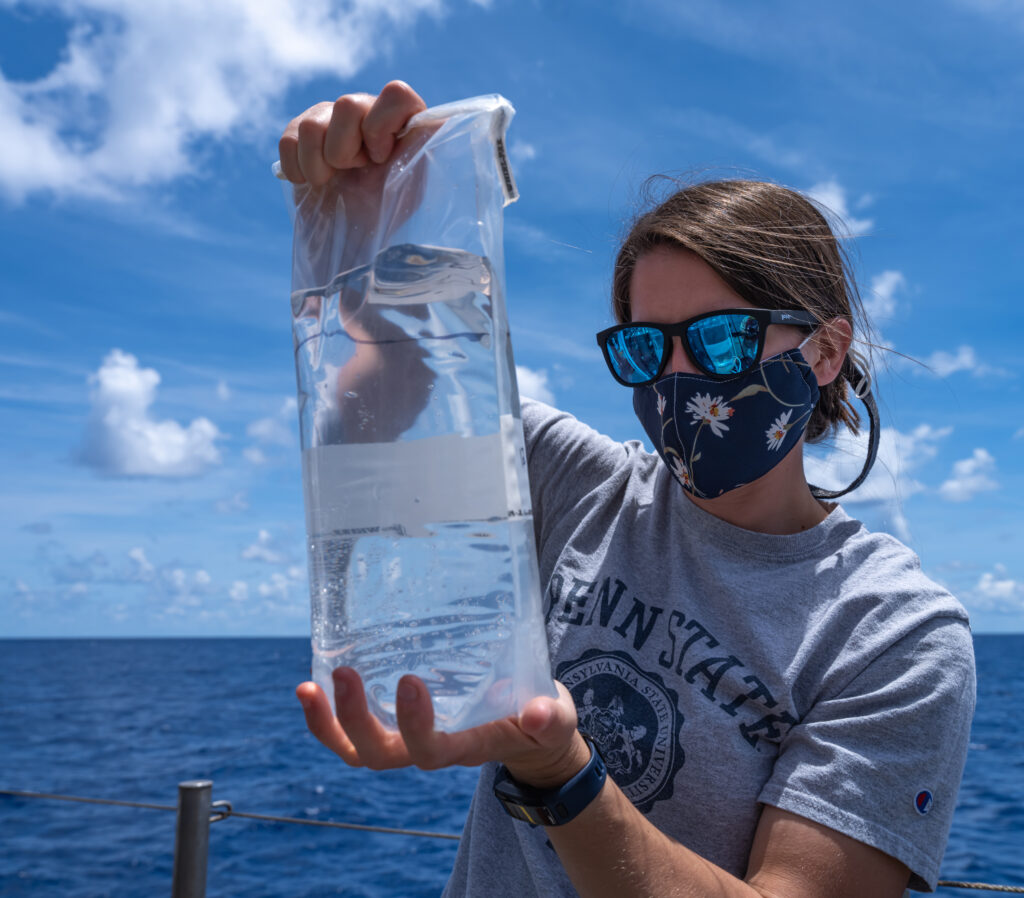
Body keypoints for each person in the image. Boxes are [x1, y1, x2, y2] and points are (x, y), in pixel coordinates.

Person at [283, 81, 976, 898]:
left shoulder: (894, 636)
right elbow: (375, 421)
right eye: (648, 349)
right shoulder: (571, 480)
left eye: (721, 339)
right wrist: (372, 248)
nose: (680, 378)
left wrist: (562, 775)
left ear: (825, 353)